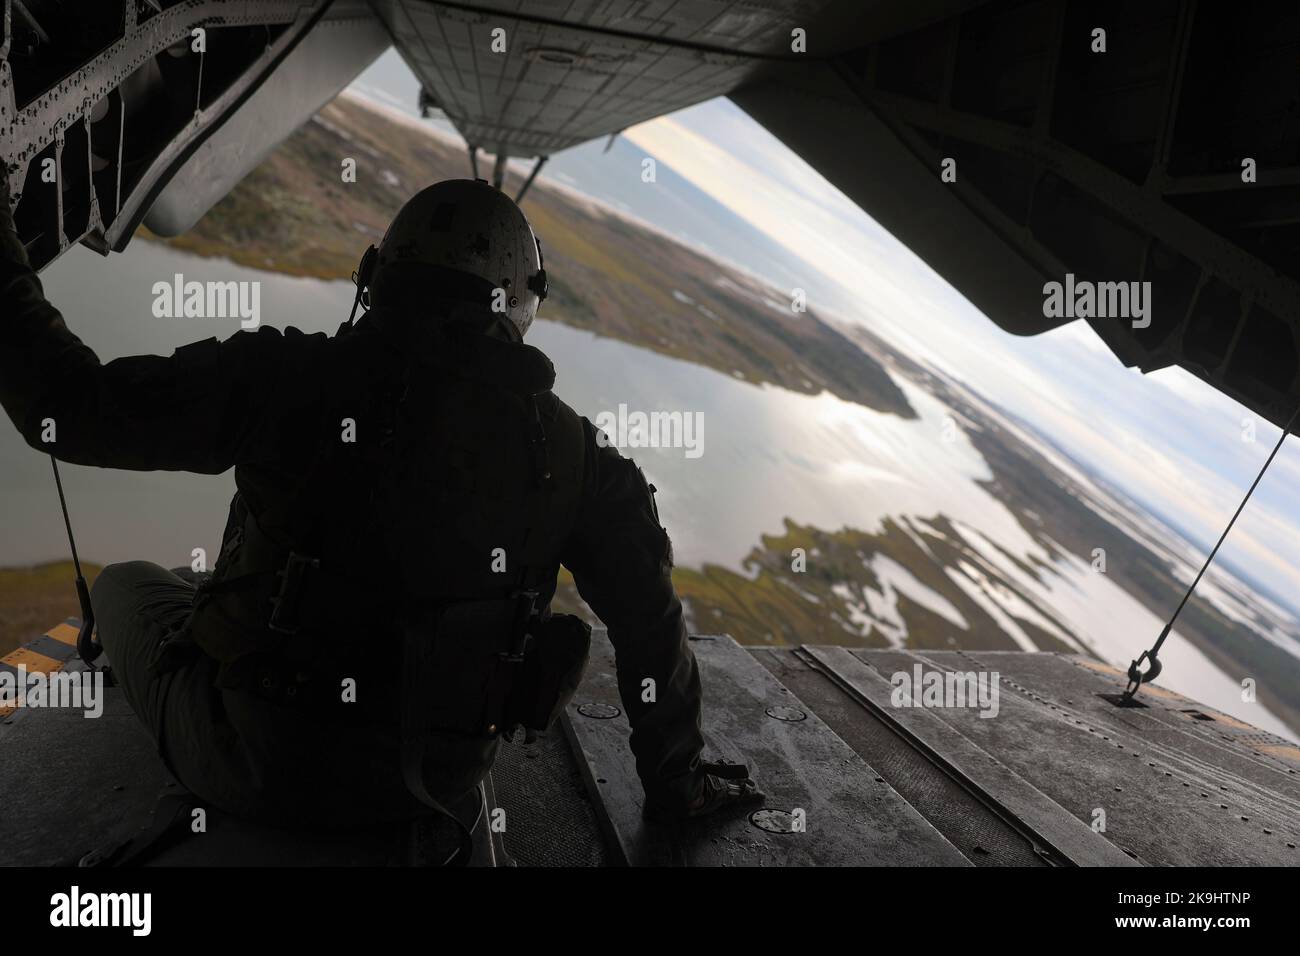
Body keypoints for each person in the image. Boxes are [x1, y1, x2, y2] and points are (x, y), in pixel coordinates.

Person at [0, 173, 760, 842]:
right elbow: (651, 624)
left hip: (248, 760)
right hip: (433, 781)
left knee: (128, 581)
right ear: (519, 307)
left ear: (380, 275)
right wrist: (678, 786)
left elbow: (68, 409)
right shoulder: (579, 458)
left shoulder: (285, 375)